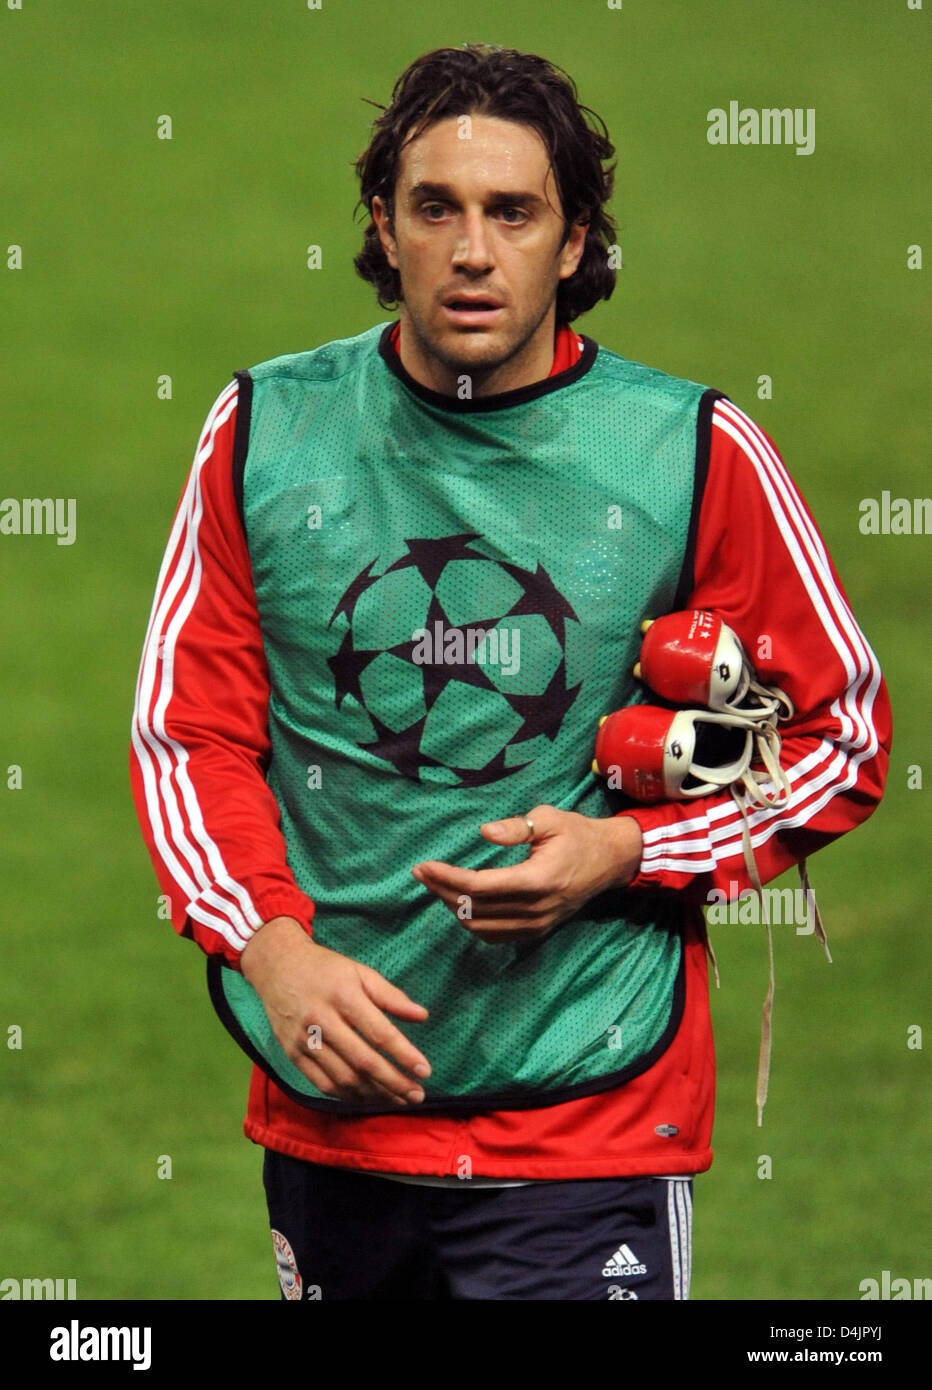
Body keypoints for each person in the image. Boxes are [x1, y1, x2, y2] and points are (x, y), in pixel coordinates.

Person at [129, 43, 890, 1301]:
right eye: (435, 208)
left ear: (575, 236)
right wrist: (269, 947)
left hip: (584, 1116)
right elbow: (185, 736)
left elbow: (844, 736)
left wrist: (630, 854)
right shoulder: (266, 429)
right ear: (383, 224)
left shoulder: (688, 451)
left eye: (513, 212)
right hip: (337, 1096)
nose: (471, 251)